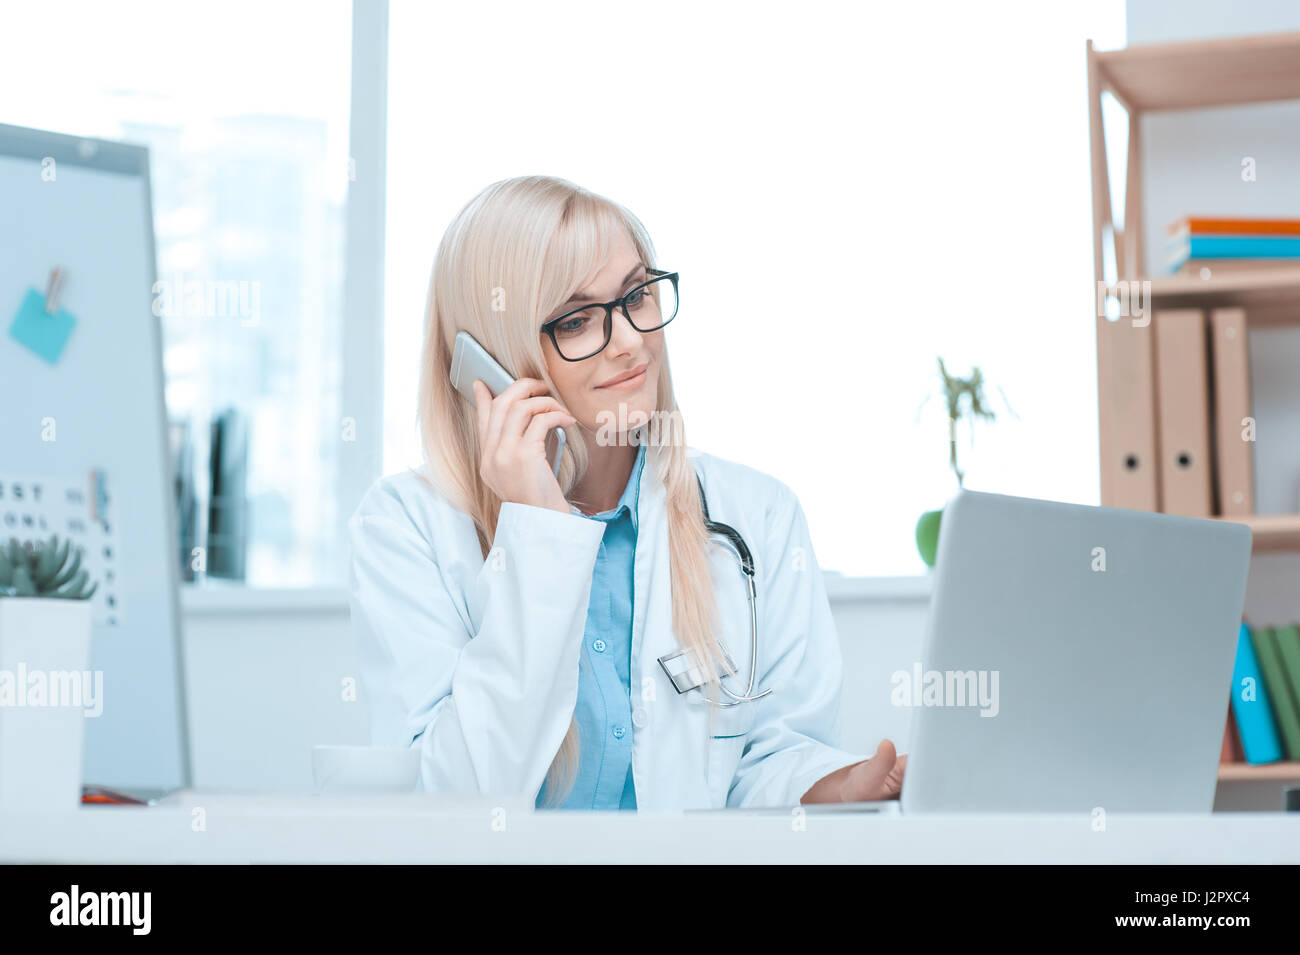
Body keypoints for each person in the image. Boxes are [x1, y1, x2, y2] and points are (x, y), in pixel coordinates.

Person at [348, 175, 905, 810]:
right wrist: (537, 531)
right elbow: (452, 798)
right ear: (493, 359)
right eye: (578, 320)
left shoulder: (761, 515)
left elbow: (769, 761)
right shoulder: (405, 529)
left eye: (636, 294)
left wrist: (838, 785)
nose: (632, 341)